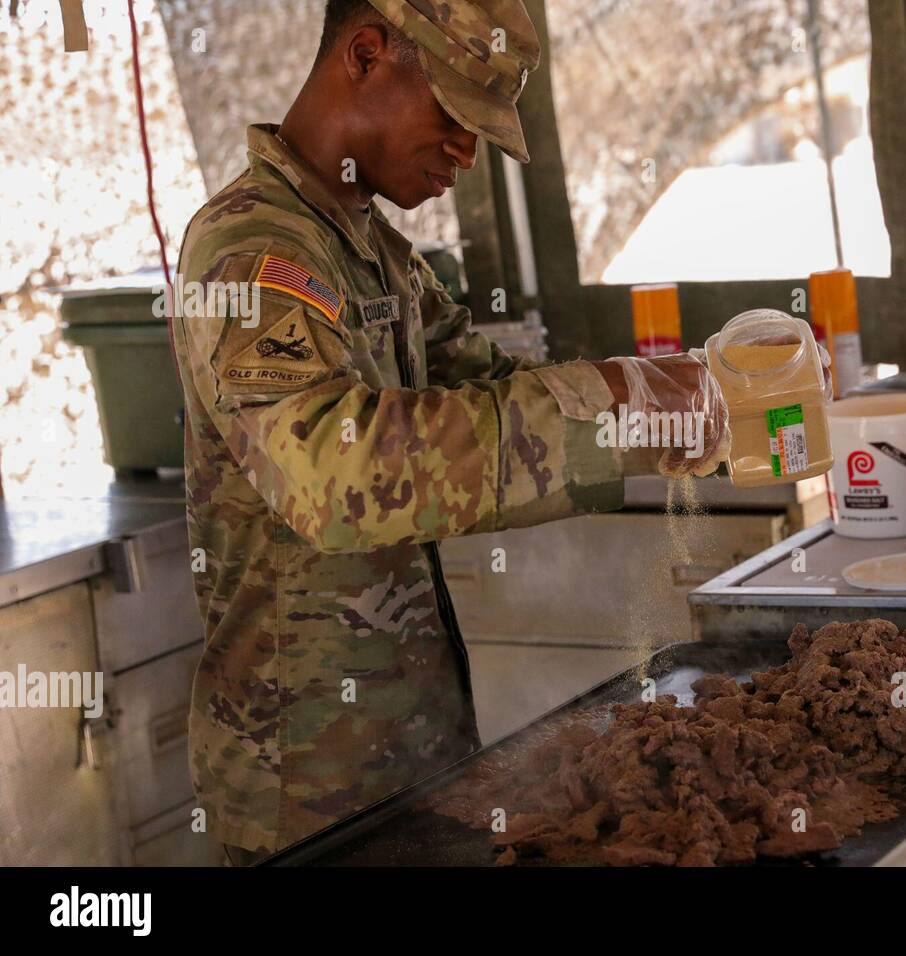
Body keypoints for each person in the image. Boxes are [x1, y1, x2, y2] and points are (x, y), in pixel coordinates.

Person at [172, 0, 729, 864]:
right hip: (307, 787)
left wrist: (664, 398)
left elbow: (491, 397)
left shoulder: (380, 256)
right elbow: (336, 474)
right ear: (366, 52)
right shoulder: (251, 251)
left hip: (414, 756)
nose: (467, 153)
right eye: (455, 116)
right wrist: (613, 402)